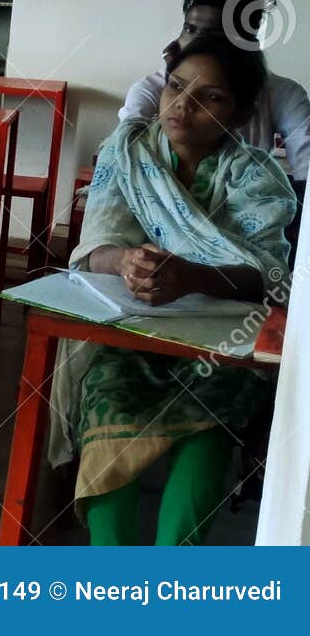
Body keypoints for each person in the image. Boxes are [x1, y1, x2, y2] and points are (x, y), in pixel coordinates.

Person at [71, 33, 296, 545]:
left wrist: (191, 277)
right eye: (176, 86)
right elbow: (94, 248)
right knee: (111, 413)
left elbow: (270, 277)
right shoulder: (126, 152)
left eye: (210, 97)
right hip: (133, 335)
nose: (183, 106)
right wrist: (127, 262)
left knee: (207, 431)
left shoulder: (254, 175)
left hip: (223, 344)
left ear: (239, 115)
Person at [119, 0, 310, 184]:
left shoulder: (282, 93)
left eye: (213, 36)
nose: (194, 43)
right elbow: (125, 155)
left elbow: (306, 167)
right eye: (189, 29)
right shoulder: (152, 89)